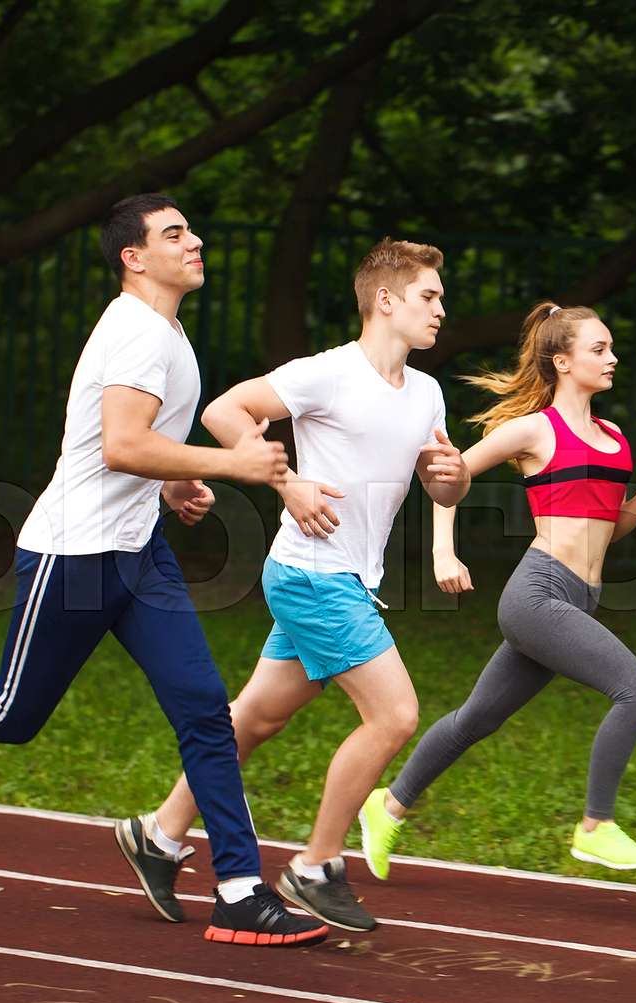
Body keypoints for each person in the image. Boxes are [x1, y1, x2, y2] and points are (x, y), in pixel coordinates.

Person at [0, 193, 329, 947]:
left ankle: (239, 890)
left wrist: (174, 484)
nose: (196, 241)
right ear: (133, 258)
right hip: (73, 556)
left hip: (138, 554)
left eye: (192, 230)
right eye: (176, 234)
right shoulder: (137, 330)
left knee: (205, 710)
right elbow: (118, 445)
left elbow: (130, 444)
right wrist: (228, 461)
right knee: (8, 713)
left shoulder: (164, 331)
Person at [113, 238, 468, 933]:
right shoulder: (328, 374)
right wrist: (288, 480)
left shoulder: (426, 390)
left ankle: (157, 834)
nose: (441, 310)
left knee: (255, 718)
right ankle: (316, 866)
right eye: (430, 295)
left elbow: (436, 473)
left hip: (348, 578)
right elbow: (225, 412)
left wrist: (446, 478)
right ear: (386, 300)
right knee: (394, 714)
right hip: (312, 574)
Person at [357, 301, 636, 879]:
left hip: (580, 596)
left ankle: (388, 804)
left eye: (610, 348)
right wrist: (442, 551)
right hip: (540, 594)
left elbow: (609, 531)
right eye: (599, 349)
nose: (612, 358)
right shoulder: (533, 429)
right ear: (562, 361)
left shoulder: (614, 437)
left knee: (476, 719)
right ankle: (596, 827)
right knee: (635, 691)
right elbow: (448, 478)